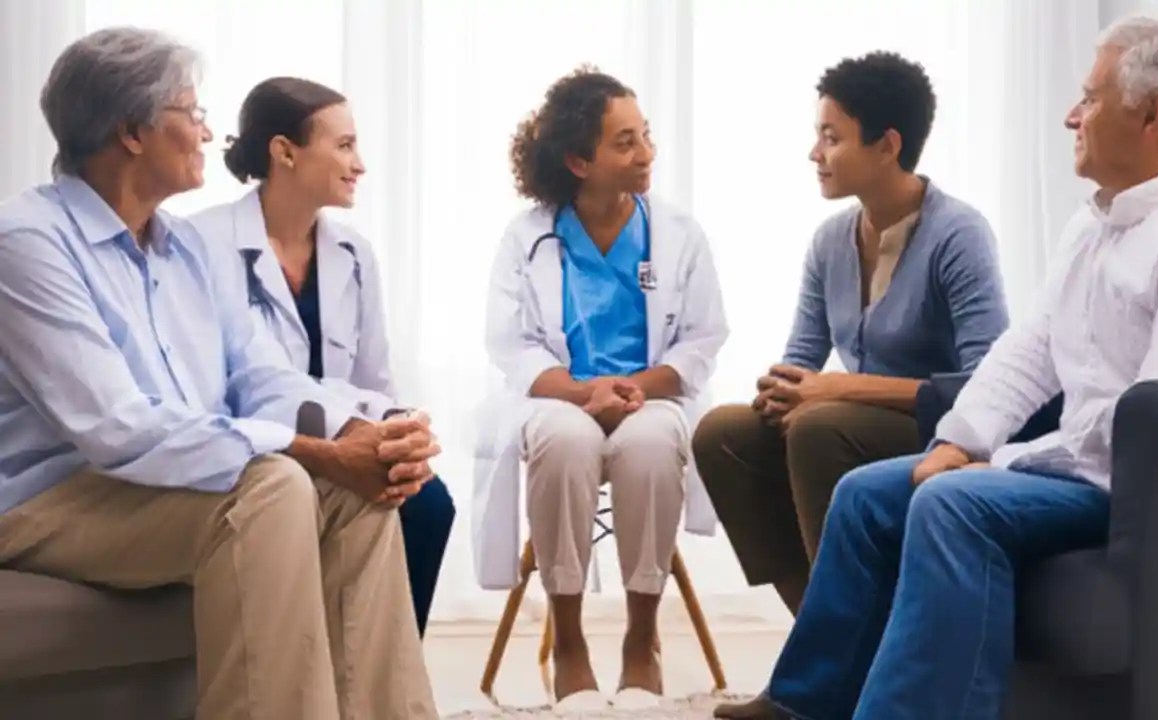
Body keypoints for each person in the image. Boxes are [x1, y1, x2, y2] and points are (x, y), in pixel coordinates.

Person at [735, 14, 1158, 720]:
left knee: (954, 502)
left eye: (1089, 97)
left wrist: (1007, 463)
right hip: (1082, 468)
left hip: (1139, 496)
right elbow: (1029, 347)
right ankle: (804, 703)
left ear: (1152, 113)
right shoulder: (1099, 221)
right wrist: (960, 439)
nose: (1070, 115)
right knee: (867, 496)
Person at [0, 28, 439, 720]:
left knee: (358, 494)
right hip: (50, 498)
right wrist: (314, 452)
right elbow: (116, 427)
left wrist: (366, 433)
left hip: (155, 483)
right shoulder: (29, 241)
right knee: (272, 489)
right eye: (192, 113)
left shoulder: (184, 250)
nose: (208, 132)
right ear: (132, 131)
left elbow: (261, 376)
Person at [693, 52, 1008, 620]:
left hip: (939, 431)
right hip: (837, 420)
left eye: (831, 137)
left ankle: (841, 653)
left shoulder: (960, 235)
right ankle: (822, 636)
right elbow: (802, 359)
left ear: (887, 146)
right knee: (724, 432)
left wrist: (837, 390)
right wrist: (781, 388)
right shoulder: (830, 241)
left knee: (818, 426)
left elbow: (987, 384)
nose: (816, 154)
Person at [474, 67, 728, 710]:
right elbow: (513, 345)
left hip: (651, 399)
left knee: (647, 448)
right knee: (562, 445)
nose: (645, 153)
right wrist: (587, 396)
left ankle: (642, 641)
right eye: (625, 142)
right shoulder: (526, 236)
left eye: (644, 136)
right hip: (560, 401)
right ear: (578, 160)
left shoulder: (678, 234)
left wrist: (632, 391)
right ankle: (568, 642)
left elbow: (699, 341)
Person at [188, 76, 455, 636]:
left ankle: (383, 682)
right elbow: (228, 384)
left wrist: (397, 429)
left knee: (428, 503)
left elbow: (373, 379)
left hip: (349, 435)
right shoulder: (199, 244)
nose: (359, 164)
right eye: (344, 145)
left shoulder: (355, 254)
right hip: (261, 448)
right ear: (284, 151)